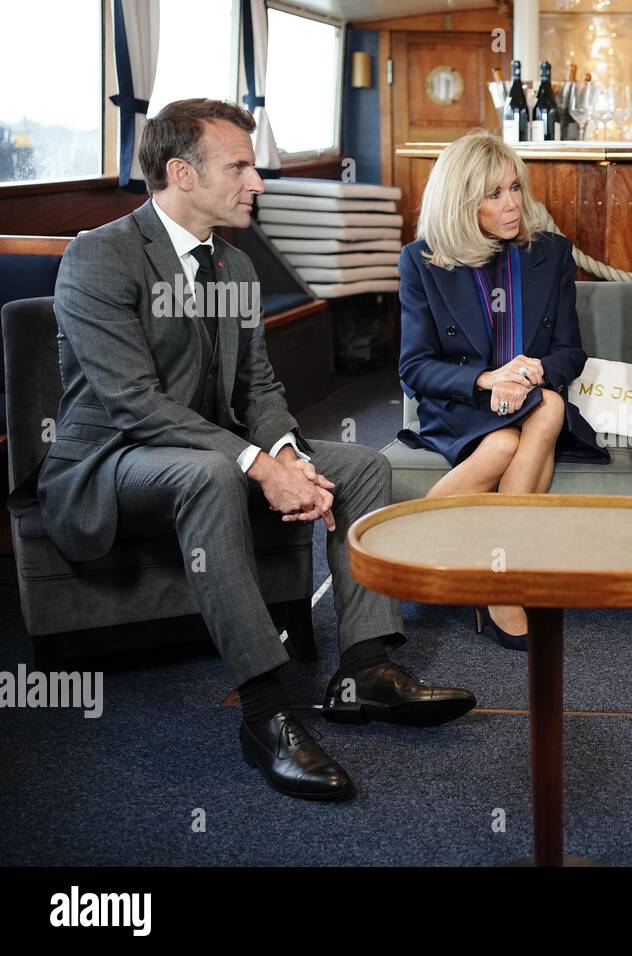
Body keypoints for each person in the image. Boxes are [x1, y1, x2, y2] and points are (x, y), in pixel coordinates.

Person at [41, 98, 476, 802]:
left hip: (210, 451)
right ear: (181, 173)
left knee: (363, 464)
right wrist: (257, 464)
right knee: (213, 473)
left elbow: (259, 385)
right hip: (113, 462)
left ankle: (363, 669)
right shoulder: (100, 254)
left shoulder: (235, 269)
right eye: (238, 166)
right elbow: (133, 402)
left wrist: (284, 450)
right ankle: (267, 713)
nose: (257, 182)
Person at [397, 129, 608, 649]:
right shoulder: (422, 261)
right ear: (462, 200)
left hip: (534, 398)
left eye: (514, 188)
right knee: (502, 442)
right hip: (462, 405)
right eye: (494, 194)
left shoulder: (550, 253)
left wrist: (532, 372)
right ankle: (493, 568)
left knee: (550, 402)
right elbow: (415, 367)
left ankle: (494, 574)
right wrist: (486, 379)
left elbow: (569, 354)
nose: (514, 204)